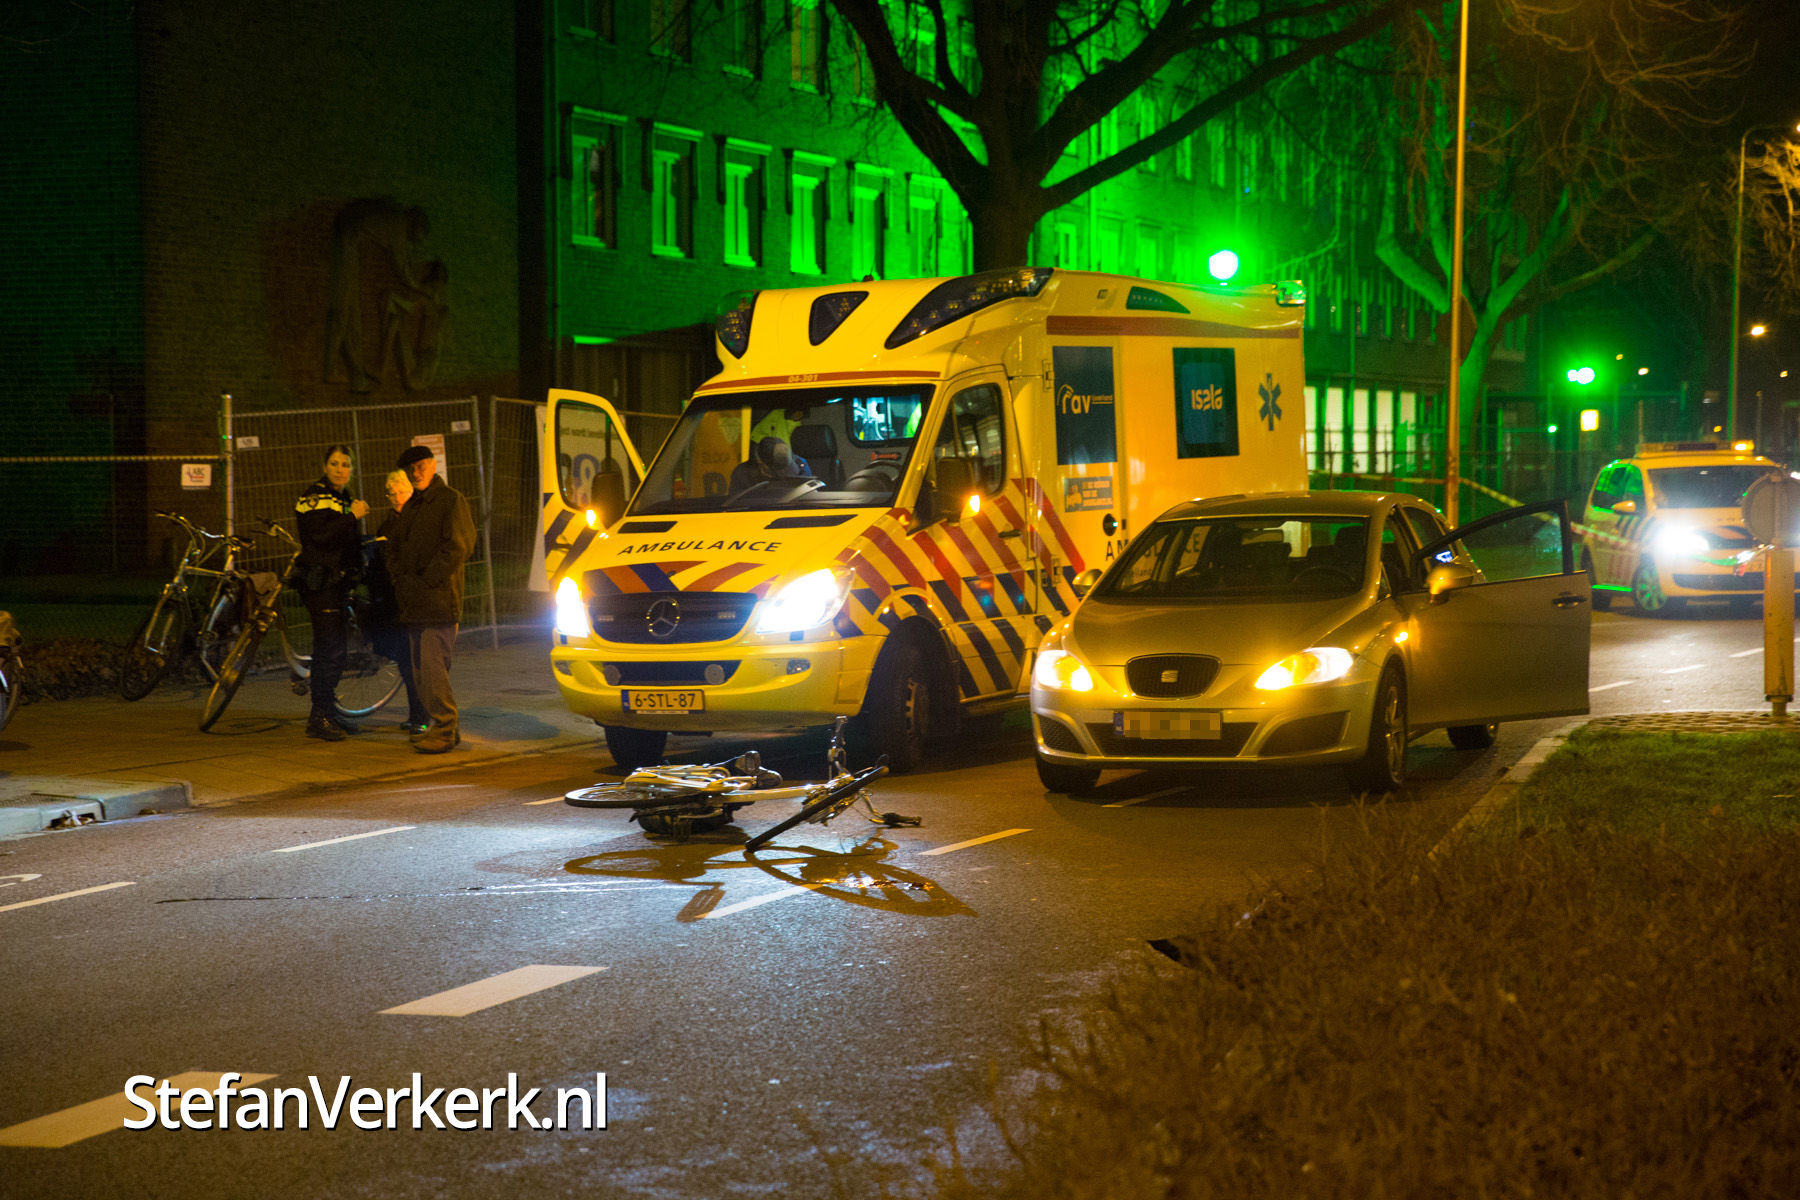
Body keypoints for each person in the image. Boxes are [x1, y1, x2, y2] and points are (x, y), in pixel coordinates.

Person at [389, 443, 476, 754]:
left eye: (421, 466)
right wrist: (399, 577)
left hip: (438, 602)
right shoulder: (413, 506)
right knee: (420, 670)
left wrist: (428, 579)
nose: (415, 472)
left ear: (433, 464)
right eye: (410, 468)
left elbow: (459, 546)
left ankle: (444, 726)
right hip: (415, 602)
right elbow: (396, 547)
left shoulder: (451, 500)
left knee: (432, 668)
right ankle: (442, 728)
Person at [294, 445, 370, 741]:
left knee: (335, 651)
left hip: (337, 583)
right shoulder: (316, 496)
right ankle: (319, 717)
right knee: (330, 651)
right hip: (320, 584)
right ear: (324, 467)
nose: (340, 469)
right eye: (335, 463)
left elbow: (345, 542)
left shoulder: (342, 498)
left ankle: (329, 711)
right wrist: (352, 516)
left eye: (346, 464)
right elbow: (320, 536)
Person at [364, 470, 427, 734]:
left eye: (401, 491)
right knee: (405, 661)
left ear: (411, 493)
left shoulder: (420, 521)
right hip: (394, 602)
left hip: (414, 600)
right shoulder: (386, 526)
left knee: (417, 661)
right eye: (392, 492)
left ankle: (422, 715)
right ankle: (417, 714)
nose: (396, 497)